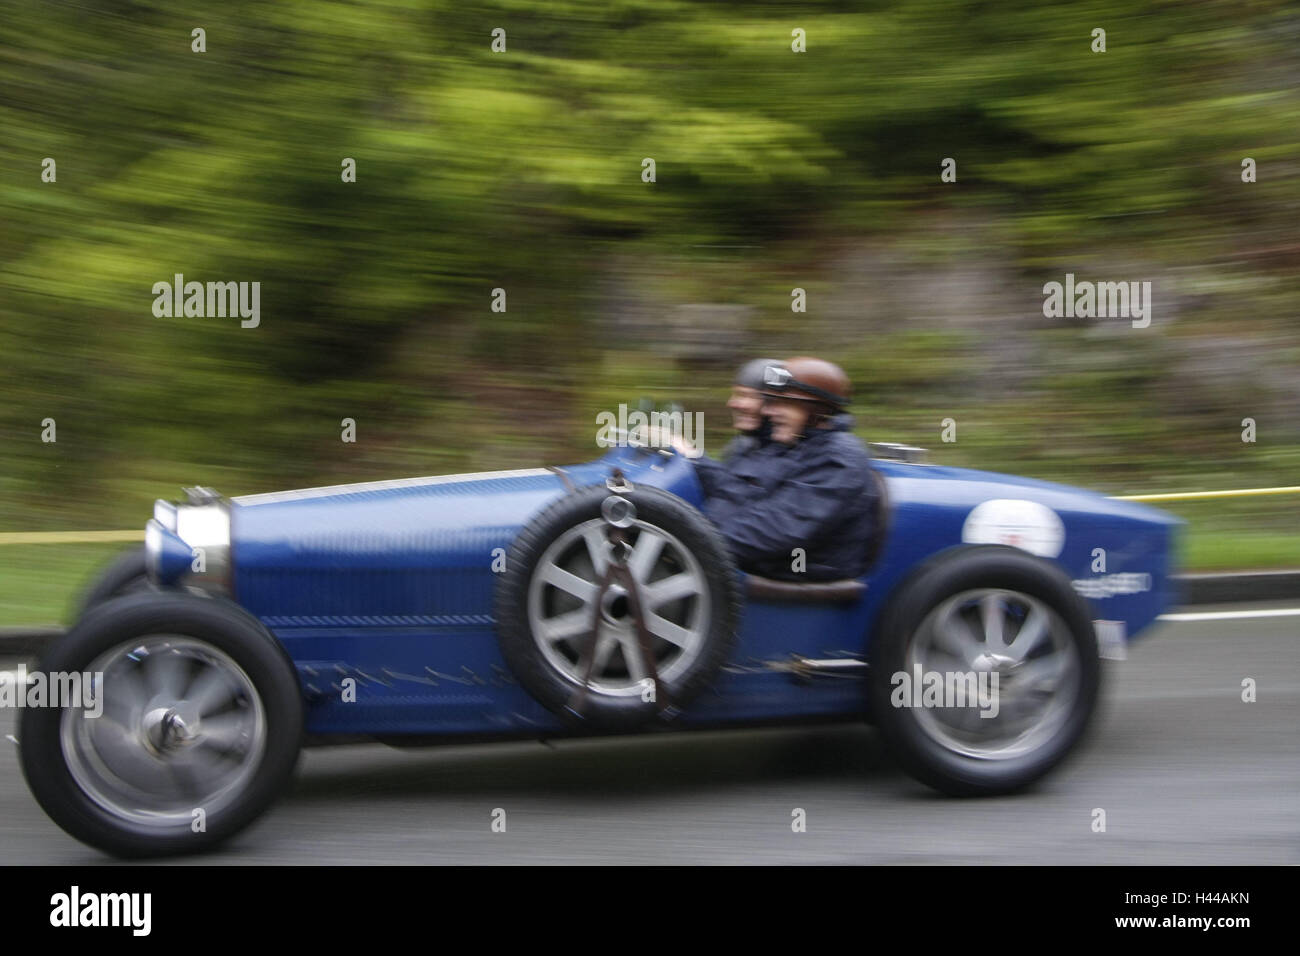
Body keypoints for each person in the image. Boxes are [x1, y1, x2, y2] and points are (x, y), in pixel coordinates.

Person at [679, 357, 877, 582]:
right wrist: (691, 459)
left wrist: (687, 541)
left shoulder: (839, 458)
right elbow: (734, 491)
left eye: (784, 403)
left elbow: (774, 530)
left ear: (817, 410)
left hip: (797, 569)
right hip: (762, 559)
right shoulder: (787, 444)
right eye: (771, 402)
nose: (770, 412)